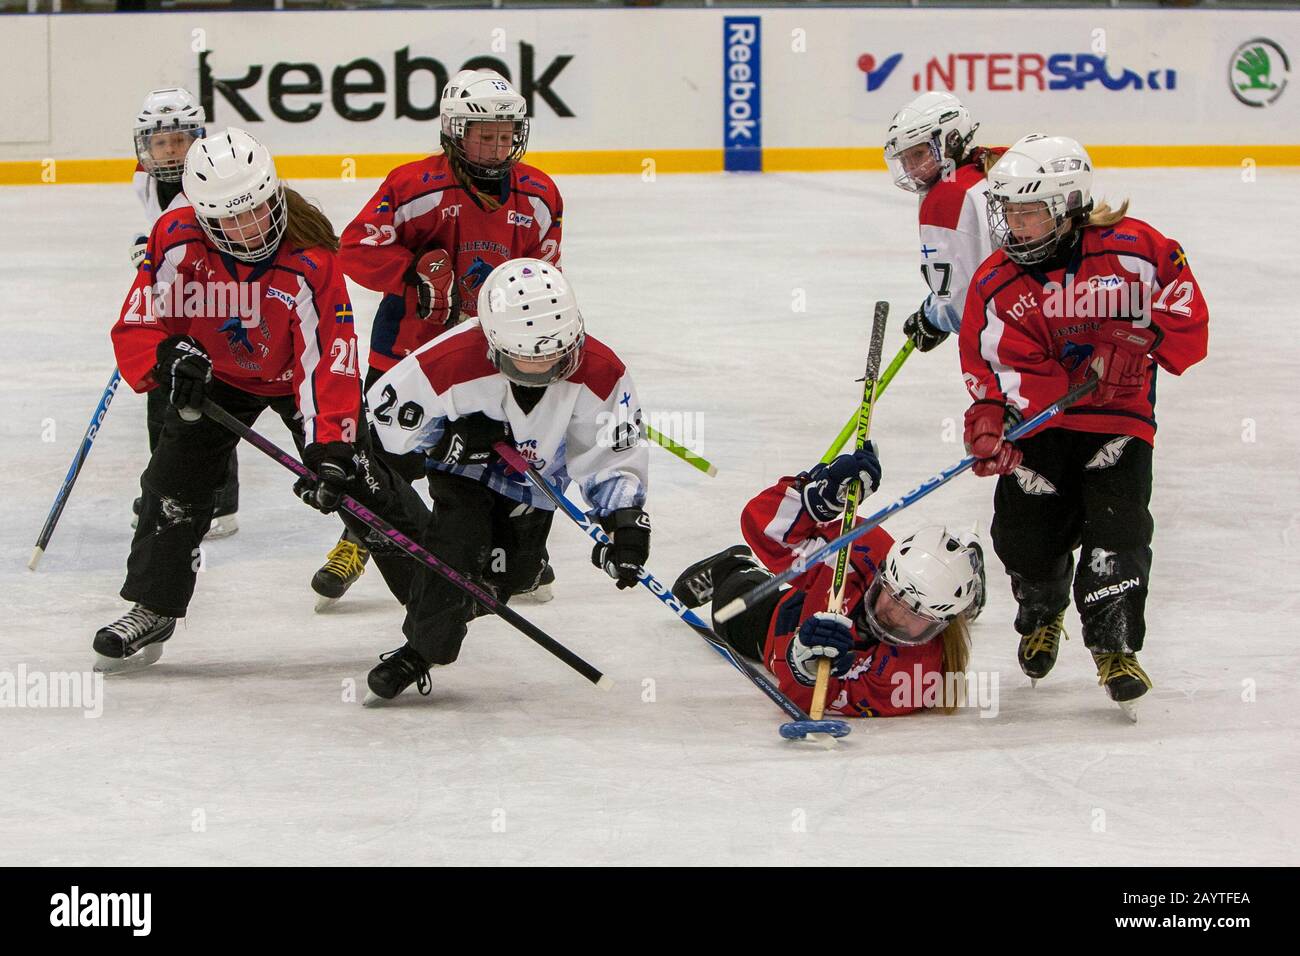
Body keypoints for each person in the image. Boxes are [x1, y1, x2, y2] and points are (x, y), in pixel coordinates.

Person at [94, 128, 380, 671]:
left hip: (298, 377)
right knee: (171, 486)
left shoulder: (312, 256)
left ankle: (429, 591)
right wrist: (170, 356)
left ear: (273, 194)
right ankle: (152, 605)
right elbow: (141, 319)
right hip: (219, 374)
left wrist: (329, 444)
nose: (246, 229)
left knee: (364, 478)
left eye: (253, 211)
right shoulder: (175, 237)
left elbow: (328, 357)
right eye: (227, 218)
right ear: (201, 215)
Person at [959, 133, 1208, 714]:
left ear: (1067, 205)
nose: (1016, 227)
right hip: (1042, 427)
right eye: (1009, 213)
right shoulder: (995, 281)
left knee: (1117, 530)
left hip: (1120, 423)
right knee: (1022, 535)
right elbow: (989, 367)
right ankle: (1042, 611)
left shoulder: (1138, 249)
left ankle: (1115, 647)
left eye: (1029, 212)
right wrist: (989, 422)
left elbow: (1188, 320)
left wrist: (1144, 337)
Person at [337, 258, 648, 703]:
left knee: (514, 574)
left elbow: (611, 455)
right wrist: (445, 441)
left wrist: (624, 521)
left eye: (554, 355)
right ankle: (419, 652)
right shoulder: (449, 358)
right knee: (455, 551)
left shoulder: (601, 372)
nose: (543, 368)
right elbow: (383, 420)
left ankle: (463, 589)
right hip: (463, 473)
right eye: (525, 358)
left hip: (534, 481)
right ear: (493, 340)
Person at [312, 68, 565, 608]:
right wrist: (412, 274)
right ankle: (358, 538)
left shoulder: (541, 195)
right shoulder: (412, 186)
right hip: (409, 351)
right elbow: (354, 249)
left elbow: (542, 276)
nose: (498, 146)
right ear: (453, 131)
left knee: (493, 453)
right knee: (383, 460)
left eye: (506, 133)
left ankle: (512, 551)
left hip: (489, 355)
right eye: (484, 133)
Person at [673, 447, 982, 718]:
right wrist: (819, 498)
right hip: (796, 604)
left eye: (916, 616)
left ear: (938, 626)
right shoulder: (862, 548)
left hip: (778, 635)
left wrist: (805, 666)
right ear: (884, 572)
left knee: (729, 620)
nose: (895, 616)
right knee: (738, 593)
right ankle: (732, 565)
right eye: (894, 597)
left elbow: (812, 702)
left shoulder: (913, 677)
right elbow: (763, 528)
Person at [128, 88, 239, 539]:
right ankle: (172, 486)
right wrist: (149, 247)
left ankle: (218, 499)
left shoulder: (216, 183)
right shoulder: (146, 180)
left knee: (208, 395)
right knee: (166, 389)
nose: (171, 150)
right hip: (176, 300)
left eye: (180, 140)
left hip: (218, 303)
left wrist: (158, 255)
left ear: (199, 138)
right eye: (160, 142)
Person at [883, 92, 1002, 355]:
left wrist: (934, 318)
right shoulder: (991, 167)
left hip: (1008, 338)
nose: (911, 168)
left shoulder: (946, 198)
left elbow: (963, 308)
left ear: (952, 140)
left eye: (919, 154)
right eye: (905, 159)